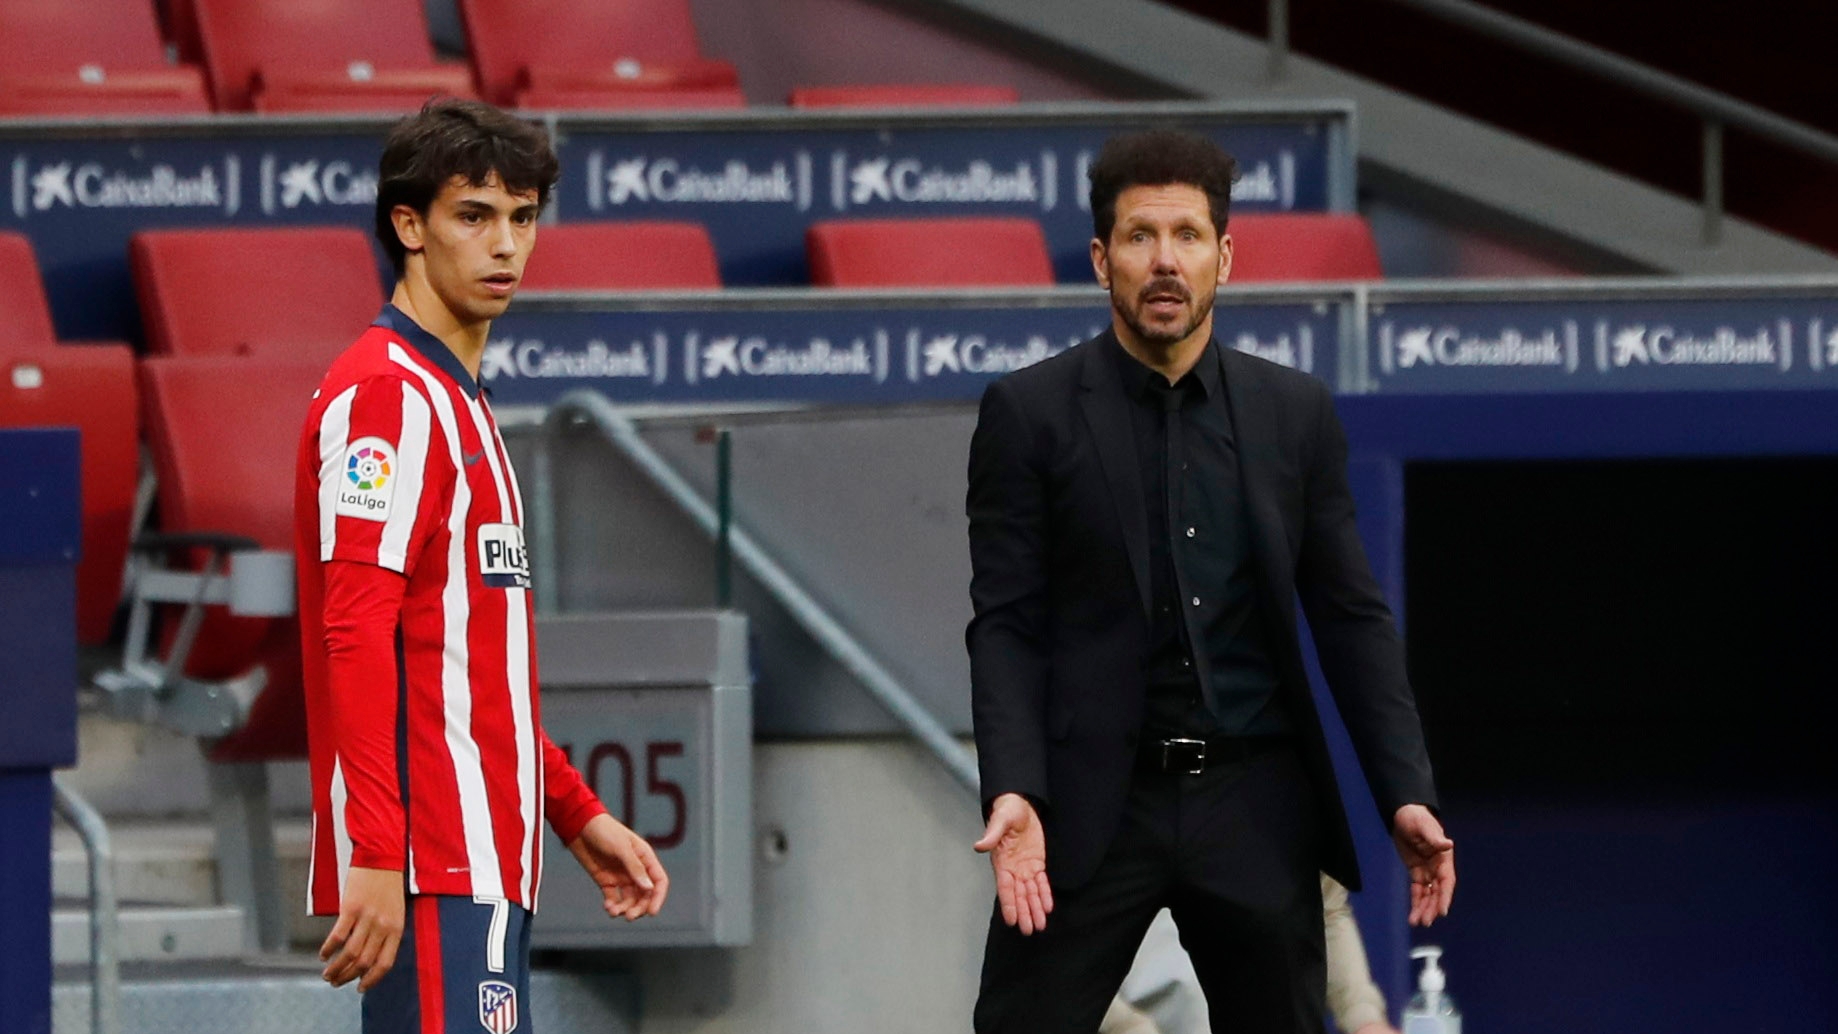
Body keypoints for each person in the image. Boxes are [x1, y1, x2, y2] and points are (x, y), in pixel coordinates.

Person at [966, 128, 1454, 1034]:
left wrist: (1405, 789)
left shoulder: (1294, 414)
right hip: (1085, 806)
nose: (1165, 261)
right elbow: (1006, 623)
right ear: (1101, 258)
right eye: (1141, 236)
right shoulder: (1027, 414)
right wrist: (1014, 789)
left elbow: (1350, 617)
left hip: (1253, 795)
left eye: (1188, 235)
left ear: (1224, 257)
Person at [292, 98, 669, 1033]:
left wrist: (576, 814)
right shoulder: (389, 395)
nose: (504, 245)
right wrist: (377, 852)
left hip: (488, 858)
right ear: (408, 225)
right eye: (475, 215)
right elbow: (356, 629)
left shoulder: (464, 402)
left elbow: (469, 672)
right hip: (425, 862)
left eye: (523, 217)